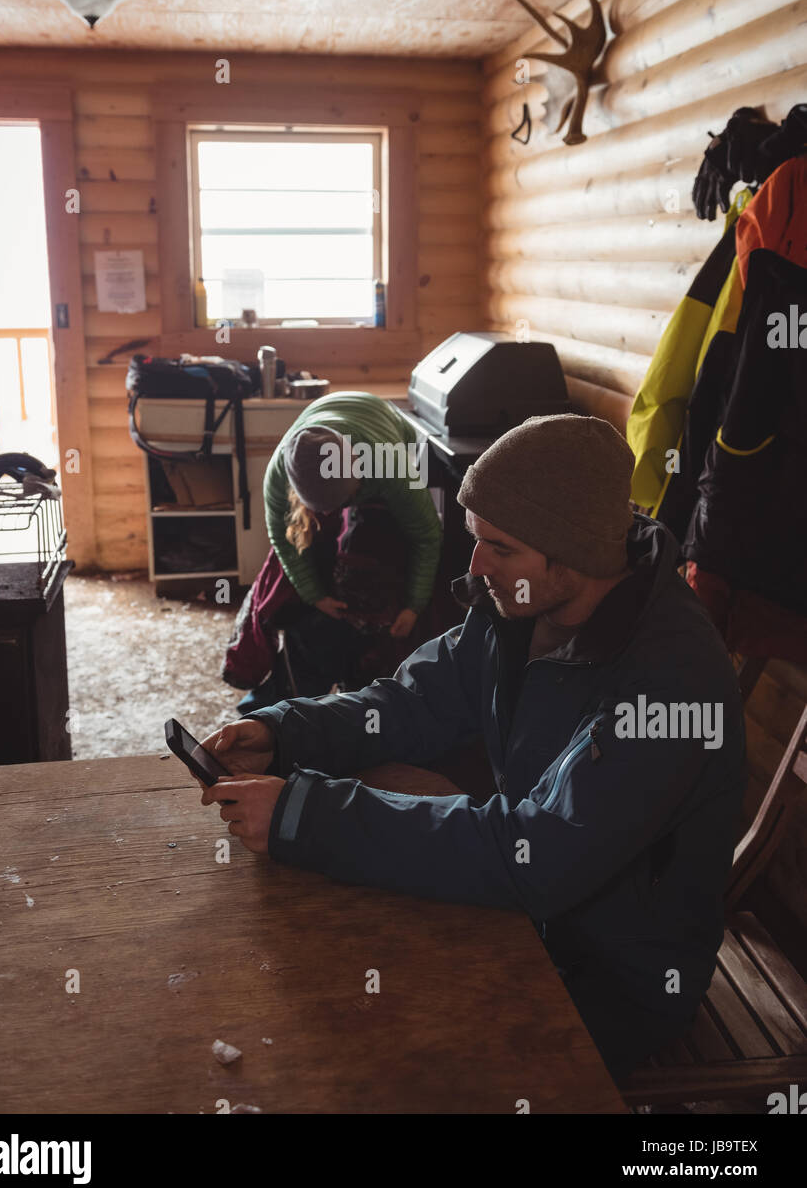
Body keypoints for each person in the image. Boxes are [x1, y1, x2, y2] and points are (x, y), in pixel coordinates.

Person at [201, 413, 746, 1082]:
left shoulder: (670, 685)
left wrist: (303, 816)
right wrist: (285, 732)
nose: (474, 565)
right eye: (474, 539)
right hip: (534, 918)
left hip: (611, 976)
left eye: (500, 546)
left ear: (568, 550)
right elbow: (409, 703)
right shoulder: (517, 606)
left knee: (366, 1054)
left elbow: (541, 854)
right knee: (310, 968)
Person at [223, 391, 444, 706]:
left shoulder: (390, 464)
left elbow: (426, 535)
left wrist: (413, 607)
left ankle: (355, 679)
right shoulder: (278, 474)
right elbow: (282, 538)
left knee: (379, 550)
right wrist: (314, 595)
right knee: (308, 554)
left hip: (381, 418)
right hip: (324, 418)